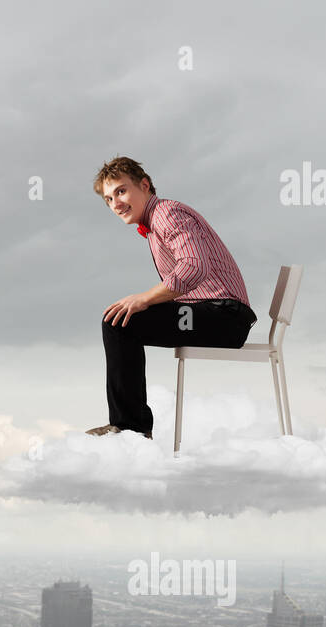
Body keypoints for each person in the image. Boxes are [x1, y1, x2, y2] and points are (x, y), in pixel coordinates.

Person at [87, 156, 257, 439]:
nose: (115, 203)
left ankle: (130, 429)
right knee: (122, 319)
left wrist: (145, 299)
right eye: (108, 199)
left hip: (224, 317)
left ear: (144, 185)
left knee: (119, 322)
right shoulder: (154, 224)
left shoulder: (167, 214)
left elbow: (193, 267)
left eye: (121, 191)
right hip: (213, 313)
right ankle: (131, 427)